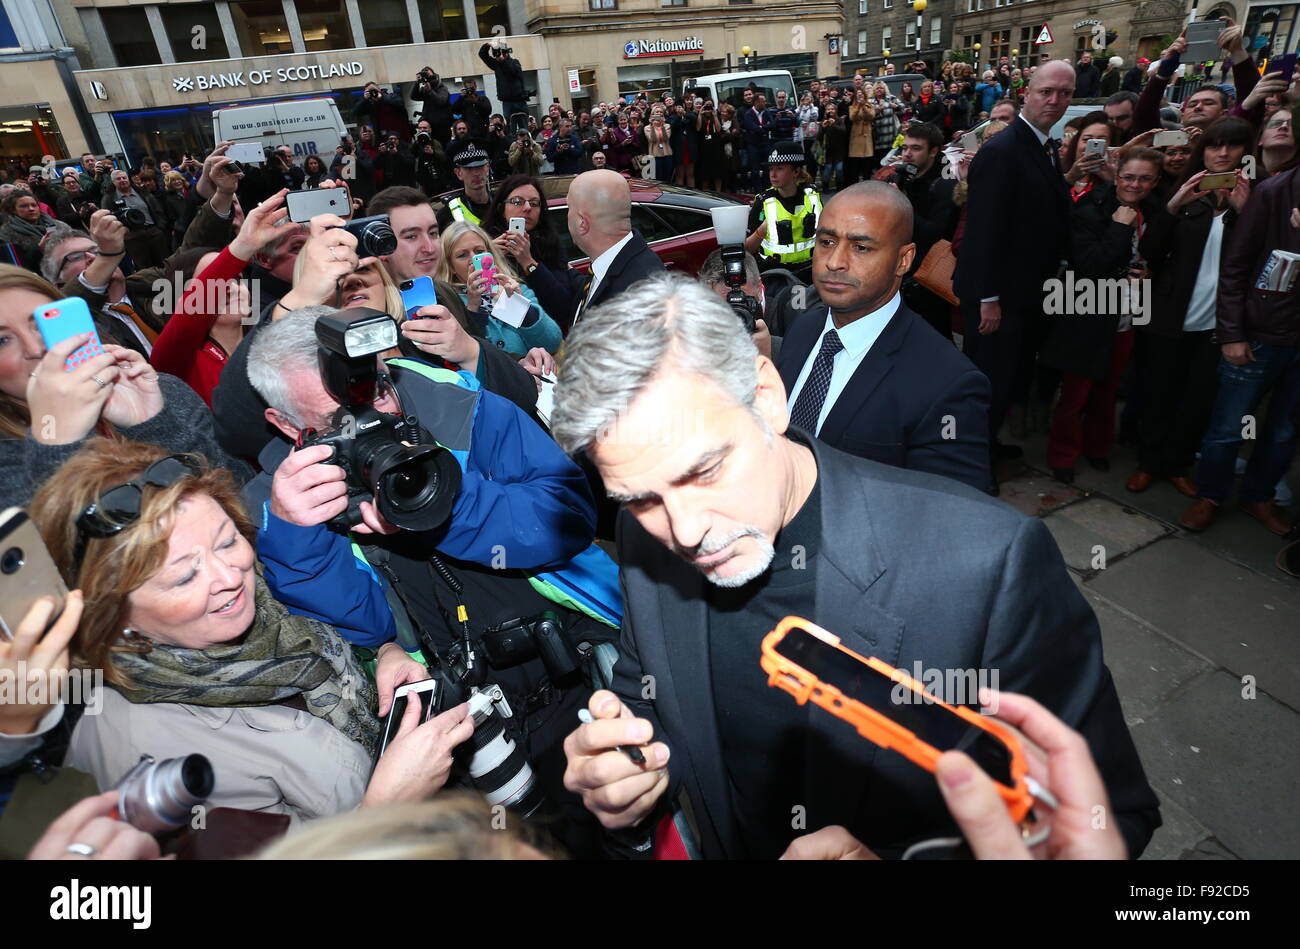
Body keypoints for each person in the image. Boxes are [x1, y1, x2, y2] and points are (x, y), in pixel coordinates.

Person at [549, 273, 1161, 860]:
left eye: (705, 471)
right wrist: (627, 771)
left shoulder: (987, 563)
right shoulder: (643, 536)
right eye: (641, 498)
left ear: (766, 397)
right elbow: (649, 695)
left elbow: (1110, 815)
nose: (684, 531)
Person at [242, 307, 620, 855]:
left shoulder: (461, 408)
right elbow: (365, 629)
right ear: (284, 424)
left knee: (636, 818)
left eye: (376, 392)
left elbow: (568, 519)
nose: (372, 423)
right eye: (338, 421)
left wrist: (446, 506)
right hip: (465, 725)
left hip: (575, 663)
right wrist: (301, 541)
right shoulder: (288, 497)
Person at [28, 438, 467, 824]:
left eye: (225, 541)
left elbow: (340, 645)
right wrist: (387, 810)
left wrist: (382, 655)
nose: (231, 576)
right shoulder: (135, 757)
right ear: (113, 615)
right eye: (184, 577)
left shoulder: (264, 596)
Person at [775, 182, 989, 491]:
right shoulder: (803, 329)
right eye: (826, 241)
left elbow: (951, 519)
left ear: (904, 260)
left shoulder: (949, 385)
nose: (835, 261)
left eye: (861, 247)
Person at [0, 262, 250, 513]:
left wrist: (155, 424)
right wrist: (57, 439)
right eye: (2, 340)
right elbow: (64, 546)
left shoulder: (161, 390)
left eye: (41, 325)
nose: (36, 349)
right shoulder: (6, 460)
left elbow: (247, 497)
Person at [953, 60, 1076, 493]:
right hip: (996, 299)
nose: (1055, 100)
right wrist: (987, 298)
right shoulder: (1003, 151)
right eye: (1046, 91)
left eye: (1064, 93)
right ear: (1027, 93)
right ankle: (973, 465)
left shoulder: (1042, 145)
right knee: (988, 384)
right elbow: (983, 230)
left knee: (1007, 381)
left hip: (1022, 294)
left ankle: (989, 447)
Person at [1178, 135, 1300, 537]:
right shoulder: (1275, 191)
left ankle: (1258, 495)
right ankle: (1210, 495)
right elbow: (1237, 266)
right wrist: (1232, 333)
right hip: (1259, 336)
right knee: (1230, 425)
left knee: (1284, 431)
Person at [1130, 120, 1253, 498]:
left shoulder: (1254, 196)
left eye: (1231, 146)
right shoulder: (1183, 192)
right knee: (1158, 391)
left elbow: (1257, 255)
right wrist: (1172, 206)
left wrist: (1246, 213)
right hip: (1171, 312)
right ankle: (1148, 463)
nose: (1222, 153)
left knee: (1197, 398)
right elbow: (1150, 252)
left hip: (1219, 322)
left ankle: (1178, 463)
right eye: (1215, 146)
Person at [1040, 149, 1165, 483]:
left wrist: (1148, 274)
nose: (1135, 185)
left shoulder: (1153, 210)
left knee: (1108, 390)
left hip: (1128, 312)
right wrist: (1119, 229)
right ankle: (1062, 455)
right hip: (1088, 309)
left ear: (1155, 181)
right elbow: (1091, 265)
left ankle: (1097, 449)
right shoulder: (1091, 207)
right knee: (1076, 392)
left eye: (1144, 179)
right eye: (1128, 177)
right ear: (1116, 174)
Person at [524, 170, 666, 333]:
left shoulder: (635, 295)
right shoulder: (619, 264)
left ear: (582, 223)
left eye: (569, 208)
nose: (566, 216)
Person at [877, 123, 960, 341]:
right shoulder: (906, 177)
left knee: (935, 336)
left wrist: (903, 204)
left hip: (929, 276)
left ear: (933, 151)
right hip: (903, 270)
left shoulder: (944, 184)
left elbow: (937, 233)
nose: (907, 154)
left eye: (915, 148)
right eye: (904, 148)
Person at [437, 220, 563, 356]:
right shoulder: (448, 304)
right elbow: (464, 356)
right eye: (462, 255)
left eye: (479, 251)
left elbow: (552, 343)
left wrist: (518, 306)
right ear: (450, 266)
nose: (473, 259)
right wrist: (474, 308)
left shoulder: (514, 288)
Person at [742, 142, 822, 281]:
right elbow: (747, 248)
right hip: (774, 275)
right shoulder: (763, 202)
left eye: (779, 169)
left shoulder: (812, 196)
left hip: (810, 273)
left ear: (796, 172)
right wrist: (763, 230)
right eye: (771, 169)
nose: (772, 174)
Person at [436, 145, 493, 229]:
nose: (476, 173)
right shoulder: (447, 214)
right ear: (458, 173)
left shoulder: (502, 203)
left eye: (480, 167)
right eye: (469, 169)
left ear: (487, 168)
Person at [0, 190, 58, 270]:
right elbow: (15, 267)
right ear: (13, 210)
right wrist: (39, 250)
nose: (31, 209)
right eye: (24, 206)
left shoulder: (59, 226)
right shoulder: (6, 234)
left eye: (34, 205)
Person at [479, 39, 528, 122]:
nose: (498, 55)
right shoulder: (496, 64)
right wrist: (488, 45)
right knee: (510, 125)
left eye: (501, 53)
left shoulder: (515, 62)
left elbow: (513, 71)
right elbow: (482, 55)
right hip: (507, 101)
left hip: (519, 101)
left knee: (523, 125)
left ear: (506, 53)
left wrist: (503, 61)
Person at [845, 88, 876, 186]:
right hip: (856, 137)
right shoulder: (852, 107)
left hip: (867, 137)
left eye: (861, 94)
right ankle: (855, 184)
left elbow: (871, 116)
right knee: (855, 163)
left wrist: (864, 106)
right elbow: (852, 117)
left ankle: (867, 182)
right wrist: (858, 106)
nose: (860, 96)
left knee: (867, 162)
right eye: (858, 94)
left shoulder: (869, 105)